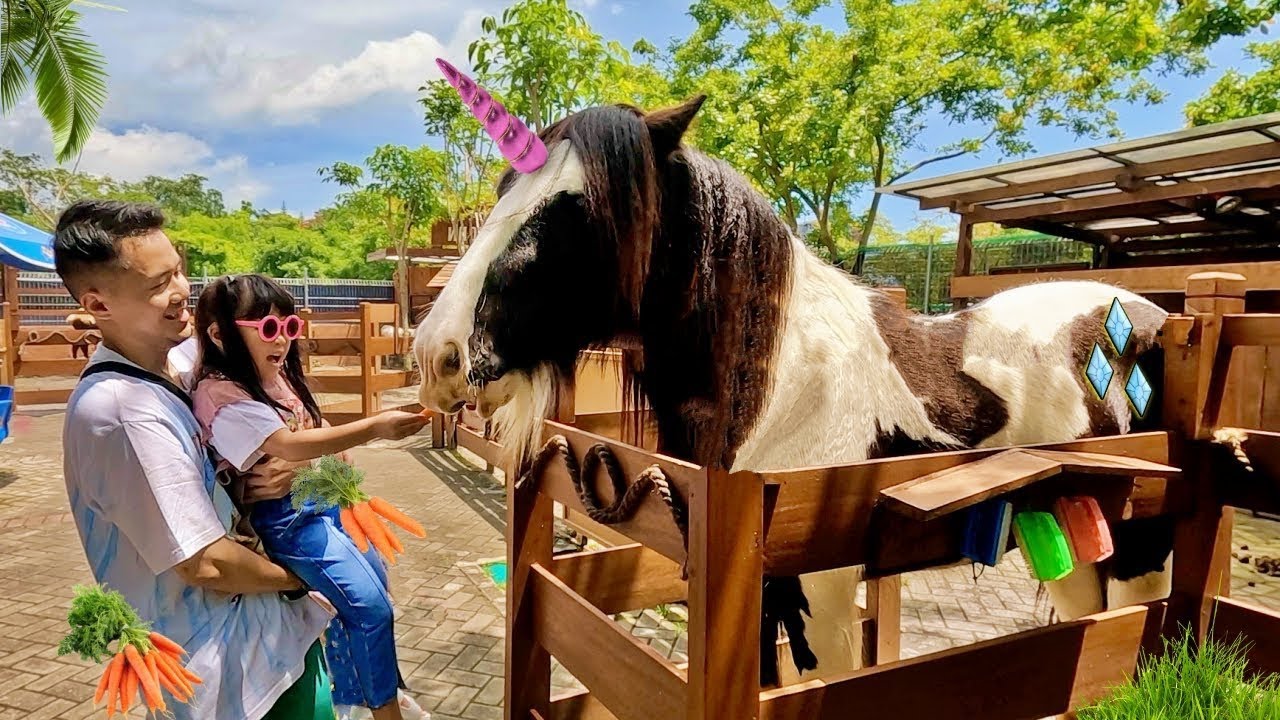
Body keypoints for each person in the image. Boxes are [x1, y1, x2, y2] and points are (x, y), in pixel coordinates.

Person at [55, 199, 337, 720]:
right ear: (99, 305)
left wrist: (288, 465)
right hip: (232, 676)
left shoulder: (176, 364)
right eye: (157, 284)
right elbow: (205, 562)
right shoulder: (124, 414)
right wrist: (305, 578)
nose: (182, 291)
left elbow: (278, 408)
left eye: (178, 270)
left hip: (268, 645)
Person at [190, 273, 430, 720]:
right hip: (289, 523)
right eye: (266, 328)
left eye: (289, 327)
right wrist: (375, 426)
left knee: (373, 593)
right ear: (220, 334)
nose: (281, 340)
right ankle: (384, 711)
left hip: (318, 507)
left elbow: (311, 442)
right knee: (370, 608)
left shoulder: (274, 378)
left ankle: (359, 700)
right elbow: (288, 444)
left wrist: (312, 462)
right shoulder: (220, 393)